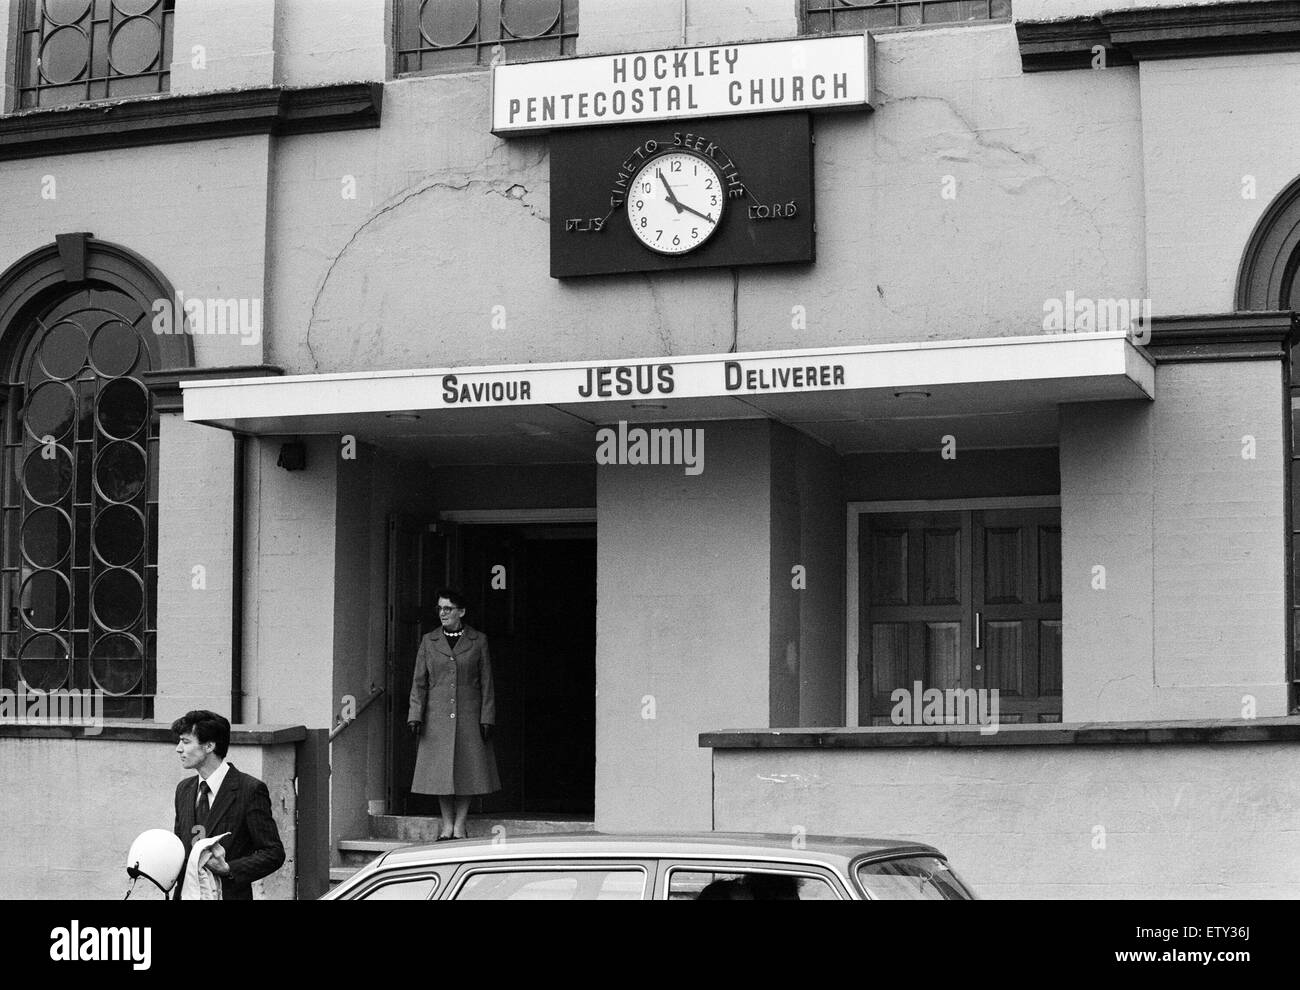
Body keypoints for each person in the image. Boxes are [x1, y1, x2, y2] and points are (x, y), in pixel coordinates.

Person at [408, 587, 500, 839]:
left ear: (461, 611)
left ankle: (460, 824)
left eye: (448, 608)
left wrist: (487, 716)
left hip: (469, 713)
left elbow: (487, 682)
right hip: (436, 715)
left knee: (466, 770)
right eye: (439, 608)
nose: (442, 613)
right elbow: (419, 681)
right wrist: (414, 714)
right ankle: (446, 824)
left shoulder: (478, 640)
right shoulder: (429, 640)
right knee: (440, 772)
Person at [170, 710, 286, 900]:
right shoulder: (184, 789)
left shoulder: (249, 789)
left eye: (186, 741)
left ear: (209, 746)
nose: (178, 748)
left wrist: (229, 869)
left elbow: (273, 853)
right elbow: (180, 846)